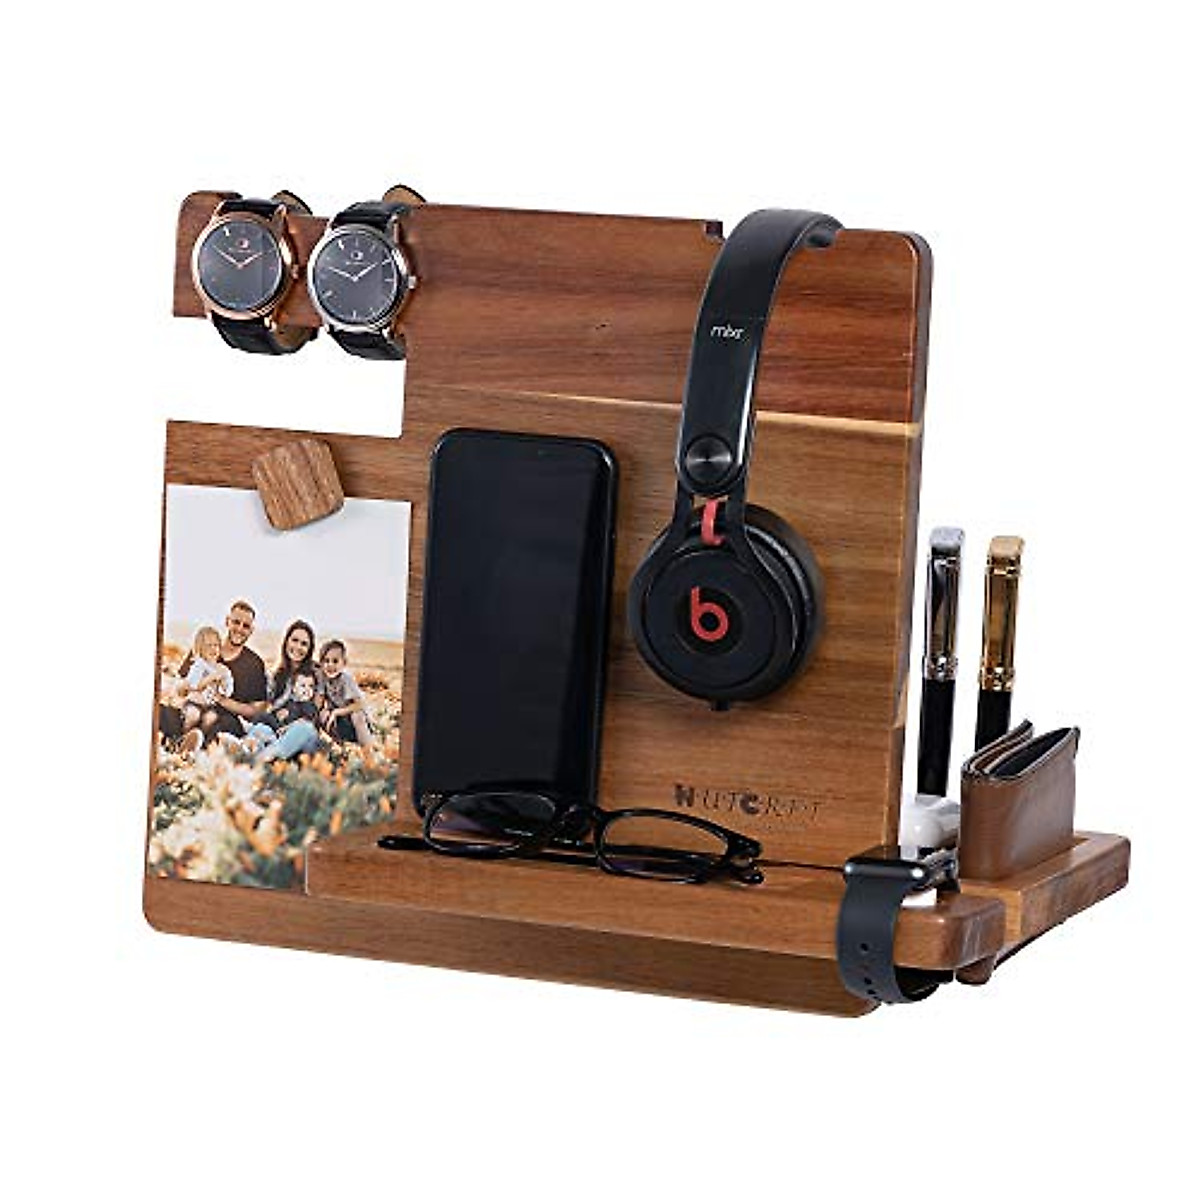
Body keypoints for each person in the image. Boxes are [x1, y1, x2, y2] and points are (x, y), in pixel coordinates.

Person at [158, 600, 269, 746]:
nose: (240, 629)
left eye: (246, 626)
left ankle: (193, 743)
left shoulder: (255, 664)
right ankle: (184, 741)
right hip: (192, 708)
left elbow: (256, 710)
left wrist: (221, 699)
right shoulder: (203, 648)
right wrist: (190, 687)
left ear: (251, 630)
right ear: (227, 621)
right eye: (236, 622)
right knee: (159, 711)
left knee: (226, 725)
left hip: (223, 719)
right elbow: (180, 688)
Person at [232, 670, 321, 761]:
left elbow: (307, 720)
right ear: (294, 689)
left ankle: (261, 752)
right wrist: (277, 713)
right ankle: (248, 743)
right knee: (263, 727)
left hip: (288, 738)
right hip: (275, 733)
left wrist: (288, 727)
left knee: (300, 728)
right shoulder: (289, 703)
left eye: (311, 686)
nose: (307, 689)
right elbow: (275, 714)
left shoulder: (309, 706)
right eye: (303, 686)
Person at [316, 639, 378, 767]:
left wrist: (336, 712)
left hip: (357, 724)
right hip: (340, 722)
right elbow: (319, 701)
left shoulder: (346, 679)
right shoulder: (323, 677)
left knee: (357, 715)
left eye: (335, 661)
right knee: (322, 714)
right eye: (326, 661)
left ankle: (369, 757)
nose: (330, 665)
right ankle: (340, 749)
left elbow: (359, 704)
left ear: (344, 663)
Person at [176, 626, 233, 742]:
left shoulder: (222, 669)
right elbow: (194, 685)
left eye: (216, 645)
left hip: (210, 706)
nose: (213, 649)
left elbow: (228, 691)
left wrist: (224, 682)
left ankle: (199, 739)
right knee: (193, 715)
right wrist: (212, 677)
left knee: (211, 718)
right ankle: (182, 738)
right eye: (209, 645)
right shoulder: (198, 665)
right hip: (194, 703)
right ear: (200, 648)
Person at [268, 619, 317, 704]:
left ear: (309, 649)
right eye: (295, 640)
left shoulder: (317, 674)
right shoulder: (275, 675)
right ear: (286, 642)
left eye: (304, 644)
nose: (298, 647)